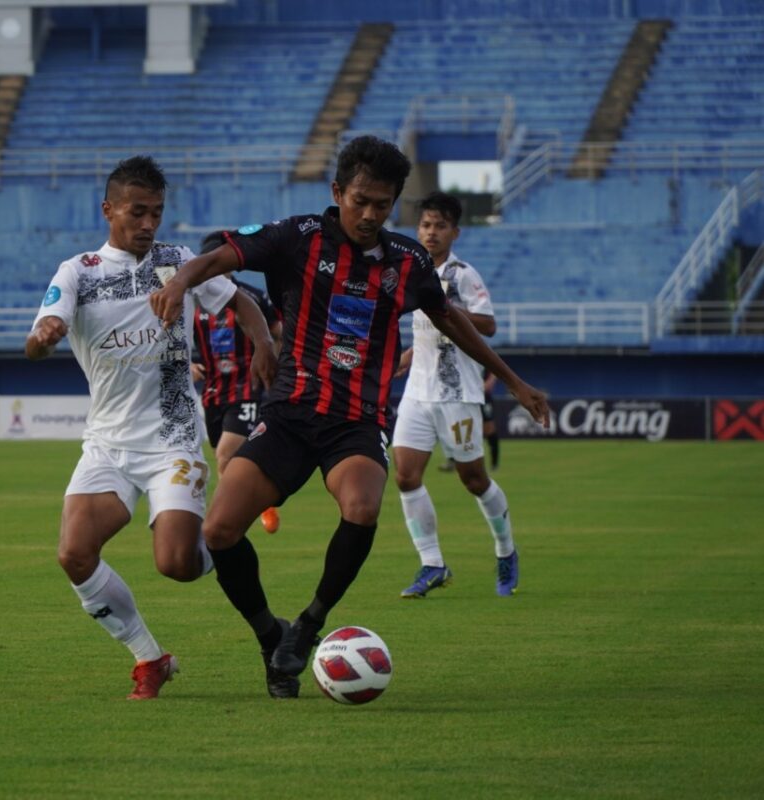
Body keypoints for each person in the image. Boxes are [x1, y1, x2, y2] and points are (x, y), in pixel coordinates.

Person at [149, 136, 549, 698]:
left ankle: (310, 624)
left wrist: (513, 381)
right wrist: (182, 281)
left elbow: (453, 320)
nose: (368, 214)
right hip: (290, 413)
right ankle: (272, 638)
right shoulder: (297, 237)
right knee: (217, 530)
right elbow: (222, 256)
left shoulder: (406, 262)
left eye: (381, 204)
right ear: (337, 192)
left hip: (356, 420)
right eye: (360, 200)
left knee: (362, 507)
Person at [25, 156, 277, 700]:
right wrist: (44, 335)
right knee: (73, 553)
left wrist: (264, 342)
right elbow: (43, 331)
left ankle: (222, 536)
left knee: (177, 565)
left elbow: (241, 301)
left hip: (173, 439)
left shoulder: (177, 262)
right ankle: (150, 658)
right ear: (108, 210)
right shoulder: (79, 272)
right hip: (108, 444)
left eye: (156, 213)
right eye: (137, 212)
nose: (148, 224)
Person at [392, 191, 518, 599]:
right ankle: (432, 564)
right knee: (406, 475)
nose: (431, 232)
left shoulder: (463, 274)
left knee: (474, 480)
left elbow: (489, 325)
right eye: (425, 225)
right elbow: (427, 328)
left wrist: (447, 308)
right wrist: (410, 355)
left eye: (439, 226)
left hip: (457, 393)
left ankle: (505, 549)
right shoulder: (413, 269)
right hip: (417, 392)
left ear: (454, 232)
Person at [191, 232, 285, 534]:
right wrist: (190, 363)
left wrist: (276, 361)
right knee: (227, 453)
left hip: (249, 385)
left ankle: (226, 520)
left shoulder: (250, 297)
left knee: (226, 453)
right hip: (214, 389)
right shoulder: (191, 300)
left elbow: (276, 332)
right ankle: (261, 497)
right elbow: (176, 338)